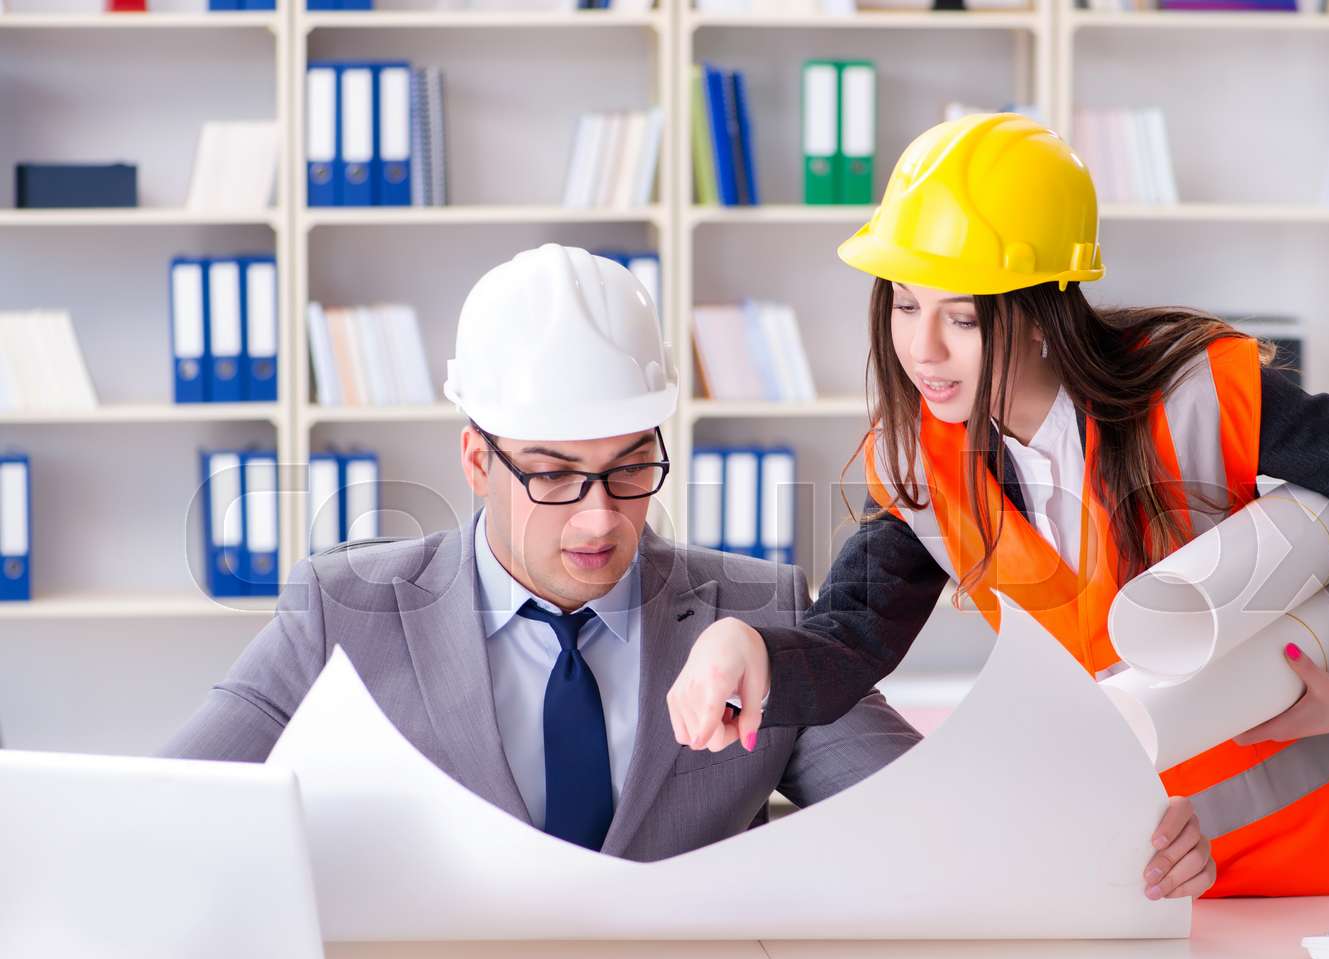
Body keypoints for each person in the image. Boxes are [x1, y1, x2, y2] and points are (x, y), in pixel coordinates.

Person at [667, 113, 1329, 898]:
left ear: (1042, 310)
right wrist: (750, 647)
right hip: (1117, 850)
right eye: (905, 305)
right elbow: (851, 636)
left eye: (963, 317)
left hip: (1274, 845)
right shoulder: (923, 458)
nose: (922, 349)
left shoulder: (1195, 391)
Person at [161, 243, 920, 862]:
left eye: (630, 469)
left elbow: (927, 817)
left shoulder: (762, 615)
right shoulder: (341, 614)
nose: (599, 519)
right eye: (553, 475)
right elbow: (161, 818)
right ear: (476, 460)